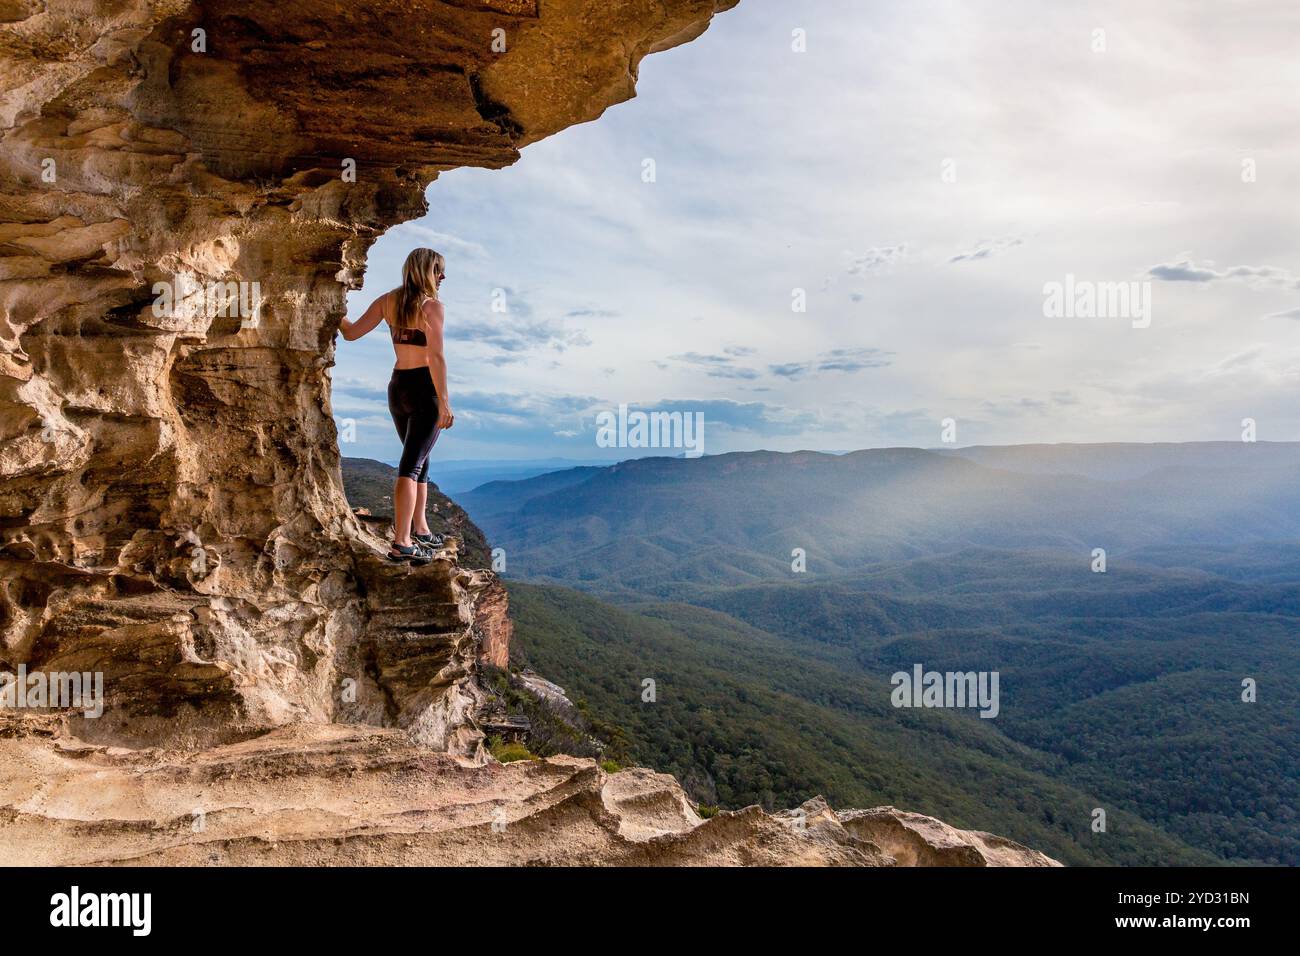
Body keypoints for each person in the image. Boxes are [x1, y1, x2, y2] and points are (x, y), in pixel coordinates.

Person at [338, 248, 455, 562]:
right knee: (412, 465)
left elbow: (350, 333)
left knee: (420, 460)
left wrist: (333, 305)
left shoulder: (388, 301)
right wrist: (444, 402)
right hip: (424, 389)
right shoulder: (432, 307)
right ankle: (402, 541)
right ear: (424, 272)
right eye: (438, 270)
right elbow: (436, 357)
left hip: (398, 387)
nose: (442, 277)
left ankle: (421, 529)